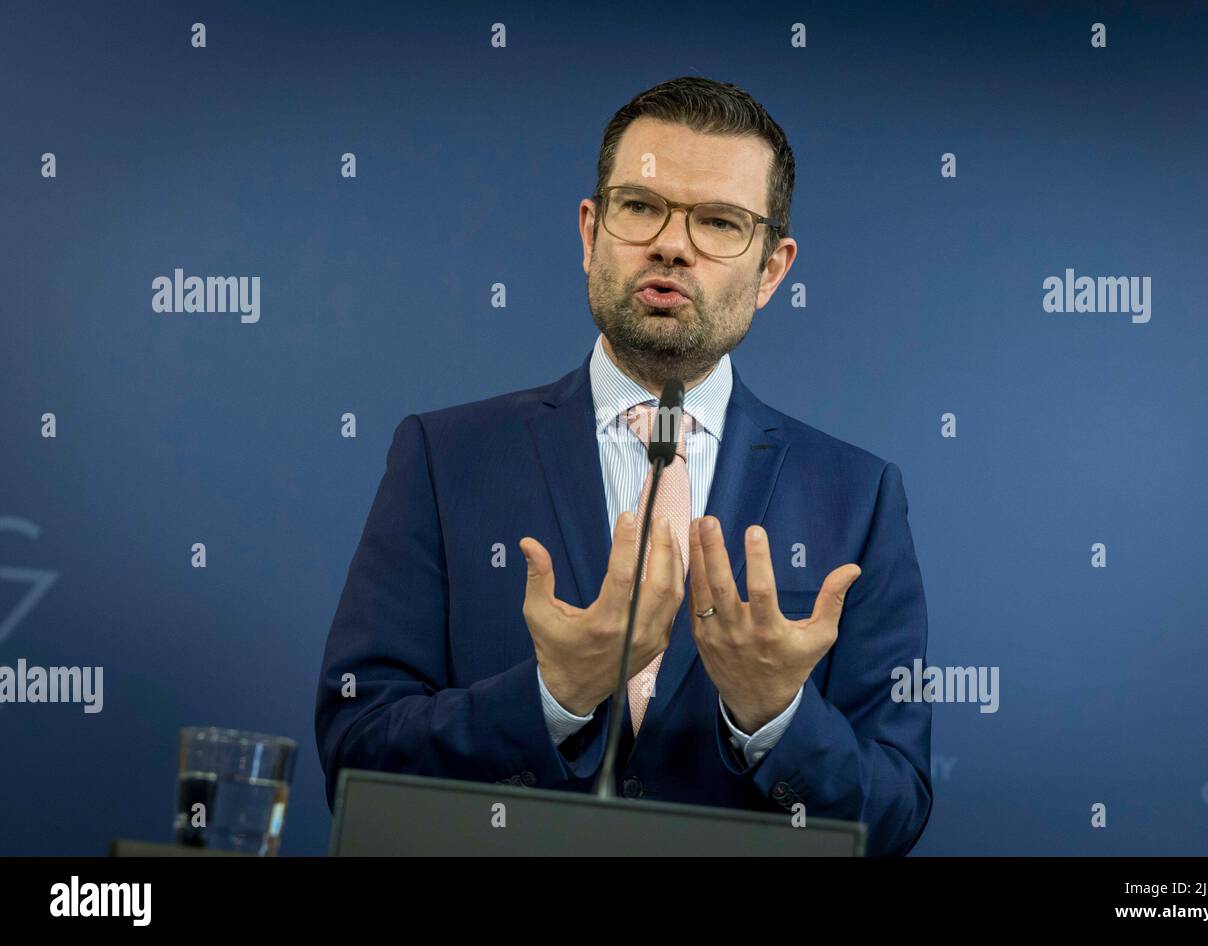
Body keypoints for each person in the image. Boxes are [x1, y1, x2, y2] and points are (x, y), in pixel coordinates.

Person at [314, 75, 933, 856]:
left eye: (718, 222)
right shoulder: (443, 458)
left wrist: (776, 714)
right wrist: (553, 696)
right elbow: (356, 752)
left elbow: (895, 812)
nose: (672, 244)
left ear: (772, 270)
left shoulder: (859, 497)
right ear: (590, 231)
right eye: (640, 208)